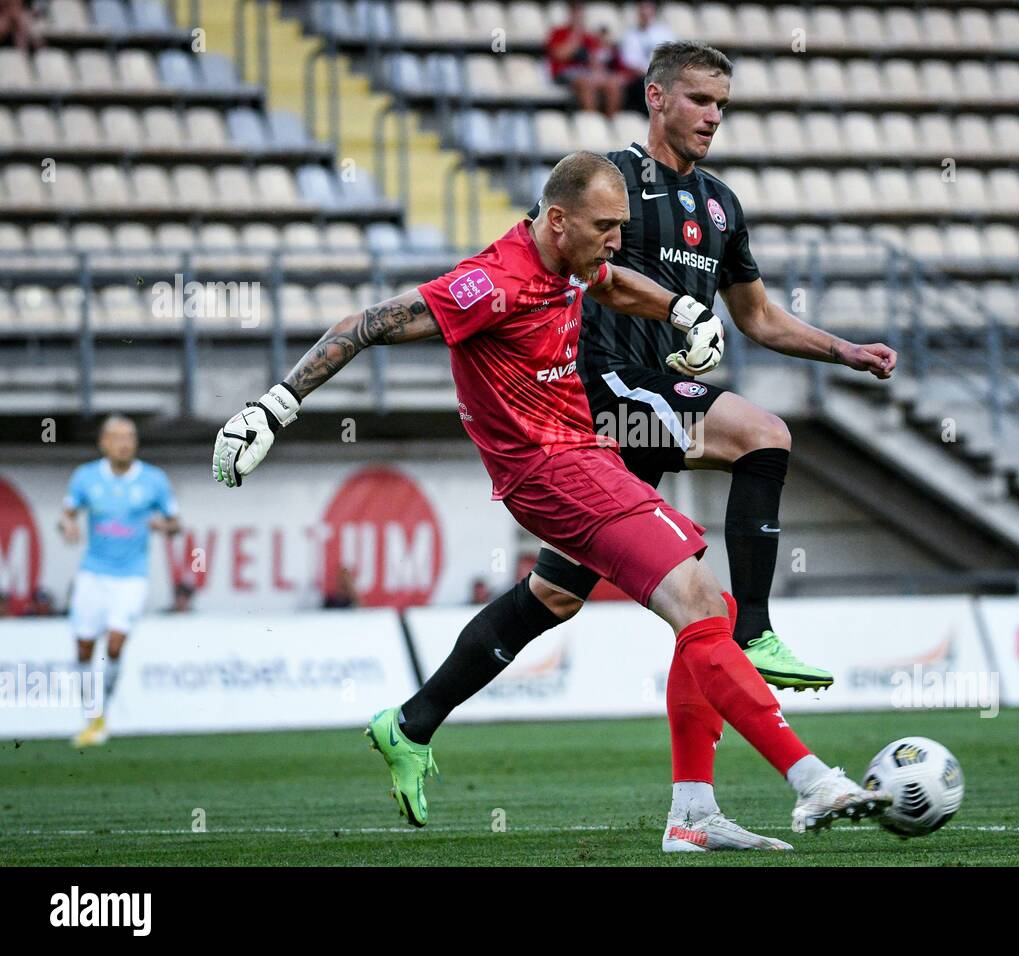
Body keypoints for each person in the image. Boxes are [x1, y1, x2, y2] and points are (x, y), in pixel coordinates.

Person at [212, 151, 892, 850]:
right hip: (550, 474)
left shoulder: (572, 258)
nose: (616, 240)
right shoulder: (491, 283)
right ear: (557, 219)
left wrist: (684, 308)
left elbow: (611, 283)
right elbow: (371, 322)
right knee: (697, 596)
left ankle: (429, 730)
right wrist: (275, 405)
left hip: (584, 459)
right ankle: (812, 782)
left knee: (630, 601)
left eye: (621, 225)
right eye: (604, 226)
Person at [62, 415, 180, 746]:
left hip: (131, 576)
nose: (124, 442)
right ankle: (93, 716)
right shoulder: (85, 477)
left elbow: (176, 523)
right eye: (117, 437)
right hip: (93, 573)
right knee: (84, 647)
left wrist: (165, 527)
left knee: (115, 644)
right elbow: (67, 514)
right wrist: (67, 526)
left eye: (130, 436)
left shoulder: (154, 480)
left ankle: (103, 710)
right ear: (104, 443)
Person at [546, 2, 625, 118]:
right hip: (564, 72)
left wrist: (603, 44)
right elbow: (559, 55)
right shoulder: (558, 32)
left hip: (586, 72)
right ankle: (592, 122)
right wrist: (576, 36)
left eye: (580, 12)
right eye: (575, 12)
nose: (578, 15)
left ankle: (611, 122)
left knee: (613, 84)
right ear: (570, 14)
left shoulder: (588, 36)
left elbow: (596, 61)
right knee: (586, 83)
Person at [618, 2, 674, 112]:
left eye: (647, 9)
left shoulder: (665, 34)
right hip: (641, 79)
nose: (644, 13)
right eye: (642, 9)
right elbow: (630, 63)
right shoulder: (630, 35)